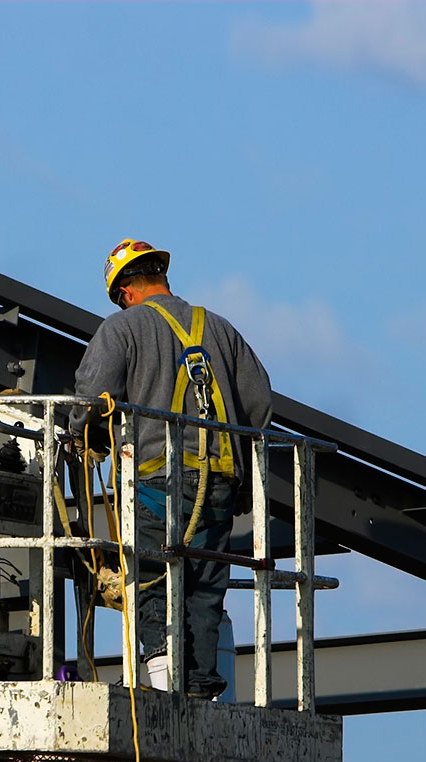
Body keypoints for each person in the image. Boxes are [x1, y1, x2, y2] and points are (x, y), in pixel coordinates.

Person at [71, 238, 273, 698]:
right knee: (204, 583)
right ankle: (200, 684)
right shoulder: (219, 329)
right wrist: (239, 466)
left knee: (152, 576)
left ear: (124, 290)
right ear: (160, 275)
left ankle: (163, 682)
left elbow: (91, 395)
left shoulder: (122, 328)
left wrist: (83, 436)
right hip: (220, 476)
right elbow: (259, 402)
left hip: (157, 477)